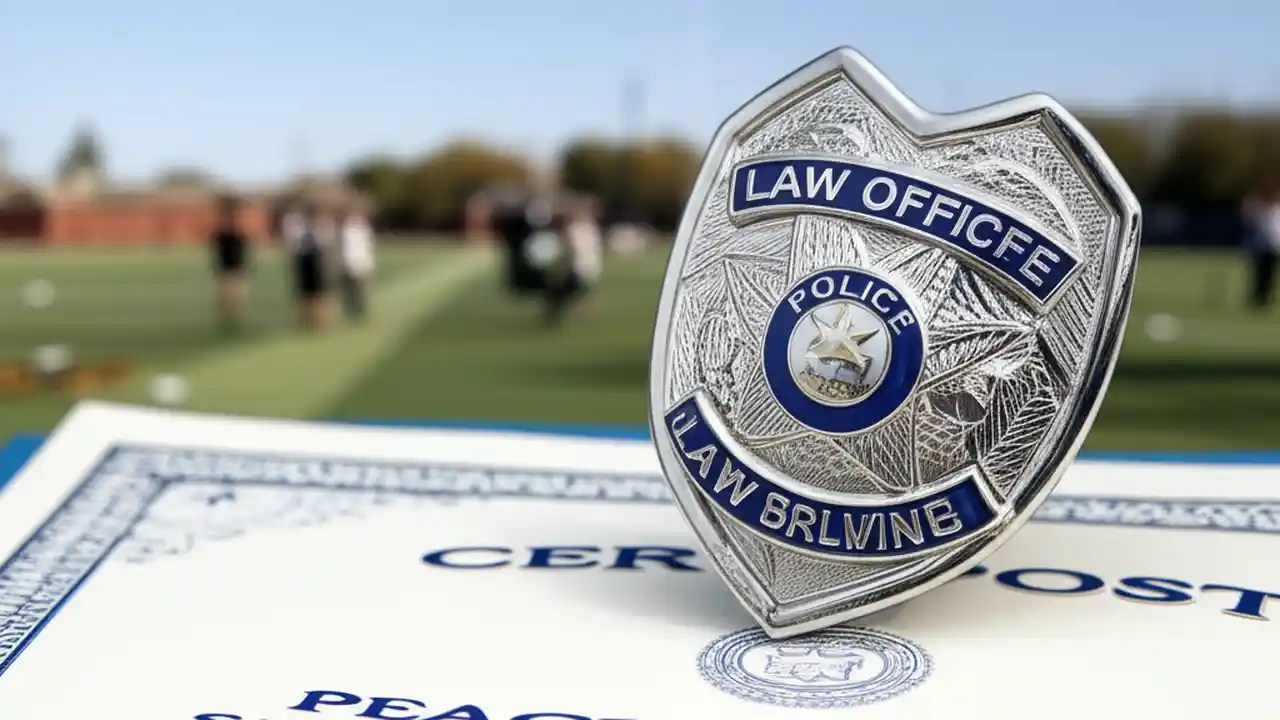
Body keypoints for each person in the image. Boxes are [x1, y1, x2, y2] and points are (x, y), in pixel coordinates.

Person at [285, 204, 332, 330]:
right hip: (304, 263)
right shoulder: (298, 229)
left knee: (319, 295)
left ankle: (320, 323)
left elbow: (326, 245)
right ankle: (305, 321)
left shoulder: (322, 228)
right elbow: (294, 247)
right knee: (304, 295)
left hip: (317, 263)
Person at [210, 195, 250, 331]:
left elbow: (243, 247)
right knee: (225, 289)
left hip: (235, 263)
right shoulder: (222, 234)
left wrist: (242, 264)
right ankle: (227, 311)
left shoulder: (236, 234)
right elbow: (215, 247)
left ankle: (233, 310)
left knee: (234, 289)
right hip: (225, 263)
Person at [1242, 180, 1280, 308]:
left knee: (1269, 275)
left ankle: (1265, 298)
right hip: (1262, 247)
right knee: (1259, 274)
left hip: (1274, 247)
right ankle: (1258, 297)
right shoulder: (1262, 211)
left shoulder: (1275, 211)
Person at [337, 208, 376, 321]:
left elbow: (368, 249)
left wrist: (369, 264)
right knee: (349, 290)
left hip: (361, 264)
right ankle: (350, 310)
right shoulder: (346, 231)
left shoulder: (364, 231)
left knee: (359, 290)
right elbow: (343, 249)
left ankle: (359, 311)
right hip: (347, 264)